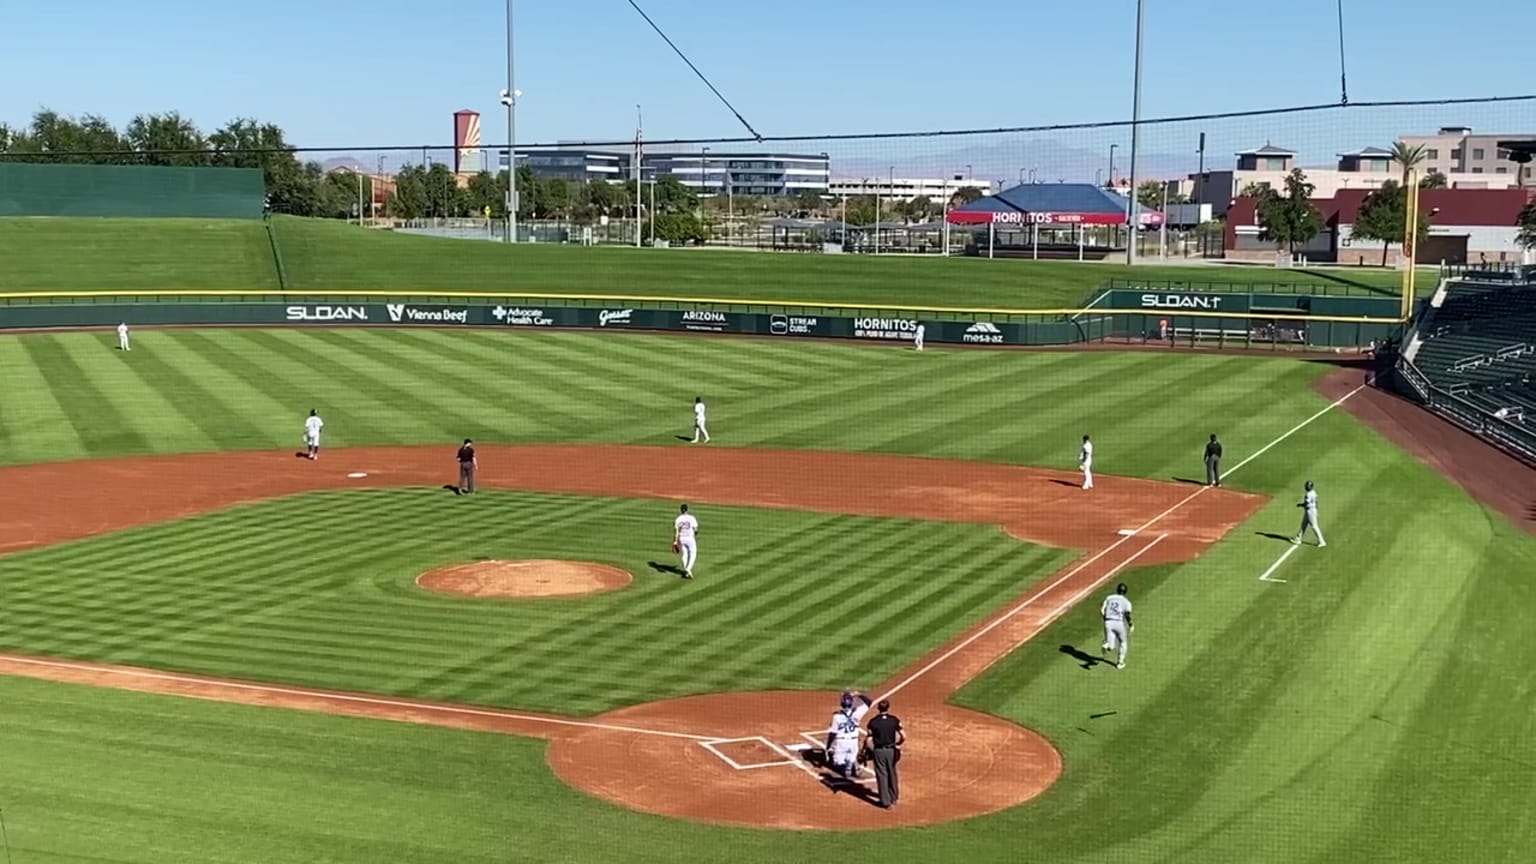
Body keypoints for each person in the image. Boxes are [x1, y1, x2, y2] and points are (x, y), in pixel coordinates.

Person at [824, 690, 873, 782]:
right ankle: (854, 767)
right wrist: (859, 694)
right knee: (852, 758)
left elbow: (833, 734)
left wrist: (828, 747)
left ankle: (848, 769)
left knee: (836, 764)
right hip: (853, 742)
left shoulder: (836, 717)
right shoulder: (857, 713)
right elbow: (869, 702)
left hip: (841, 743)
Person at [866, 698, 904, 808]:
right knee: (892, 773)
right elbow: (903, 735)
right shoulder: (894, 720)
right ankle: (894, 798)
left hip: (879, 751)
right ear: (888, 708)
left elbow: (868, 739)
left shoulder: (873, 722)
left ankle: (886, 802)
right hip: (891, 750)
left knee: (882, 775)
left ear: (878, 708)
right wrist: (898, 744)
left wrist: (868, 749)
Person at [1101, 582, 1133, 670]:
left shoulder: (1109, 598)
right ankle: (1120, 663)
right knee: (1123, 642)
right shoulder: (1126, 602)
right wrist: (1130, 624)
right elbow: (1127, 615)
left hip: (1108, 622)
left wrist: (1105, 618)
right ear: (1125, 592)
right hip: (1118, 623)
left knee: (1111, 646)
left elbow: (1102, 609)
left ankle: (1106, 644)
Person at [1293, 480, 1326, 547]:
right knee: (1303, 525)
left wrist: (1300, 505)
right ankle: (1298, 539)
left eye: (1307, 486)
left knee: (1314, 526)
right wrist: (1316, 509)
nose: (1306, 487)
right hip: (1311, 510)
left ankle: (1322, 541)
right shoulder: (1314, 492)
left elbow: (1306, 504)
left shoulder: (1308, 494)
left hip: (1310, 511)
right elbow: (1316, 502)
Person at [673, 503, 699, 578]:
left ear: (681, 510)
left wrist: (675, 541)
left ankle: (686, 571)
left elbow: (676, 531)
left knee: (685, 554)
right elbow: (696, 530)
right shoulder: (692, 518)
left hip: (681, 538)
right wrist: (695, 534)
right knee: (693, 554)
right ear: (687, 510)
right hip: (690, 538)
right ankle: (688, 569)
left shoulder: (678, 519)